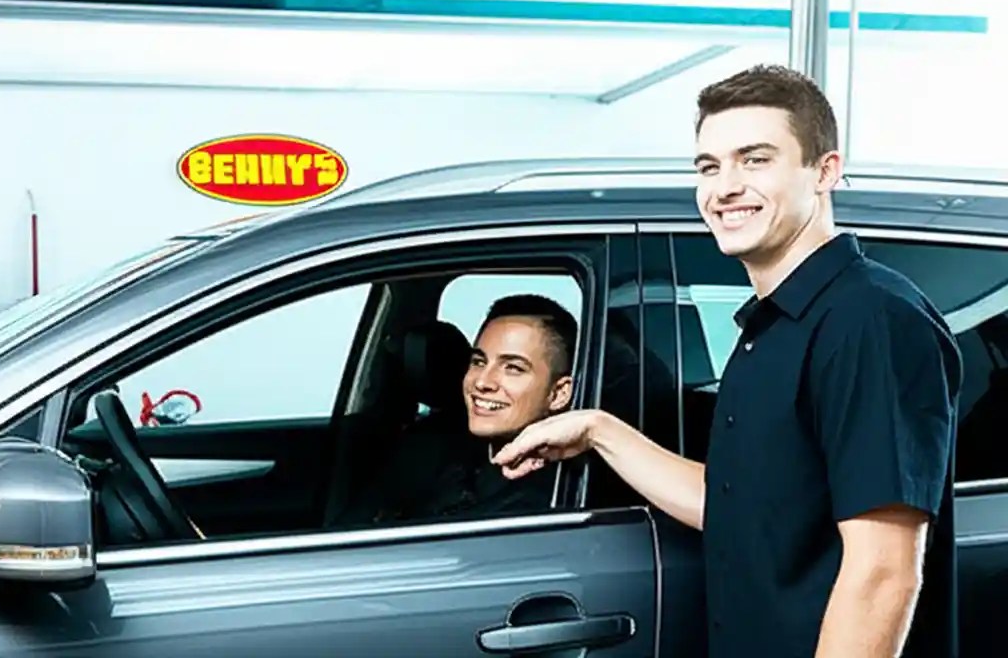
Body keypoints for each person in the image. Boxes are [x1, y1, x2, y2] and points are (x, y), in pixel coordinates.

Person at [492, 64, 962, 658]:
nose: (725, 187)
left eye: (755, 159)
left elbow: (884, 573)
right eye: (710, 167)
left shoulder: (869, 320)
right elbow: (737, 503)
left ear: (825, 172)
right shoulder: (769, 327)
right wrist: (598, 429)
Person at [335, 294, 577, 525]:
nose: (482, 381)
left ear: (558, 394)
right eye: (478, 362)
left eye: (513, 368)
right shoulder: (428, 449)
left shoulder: (562, 490)